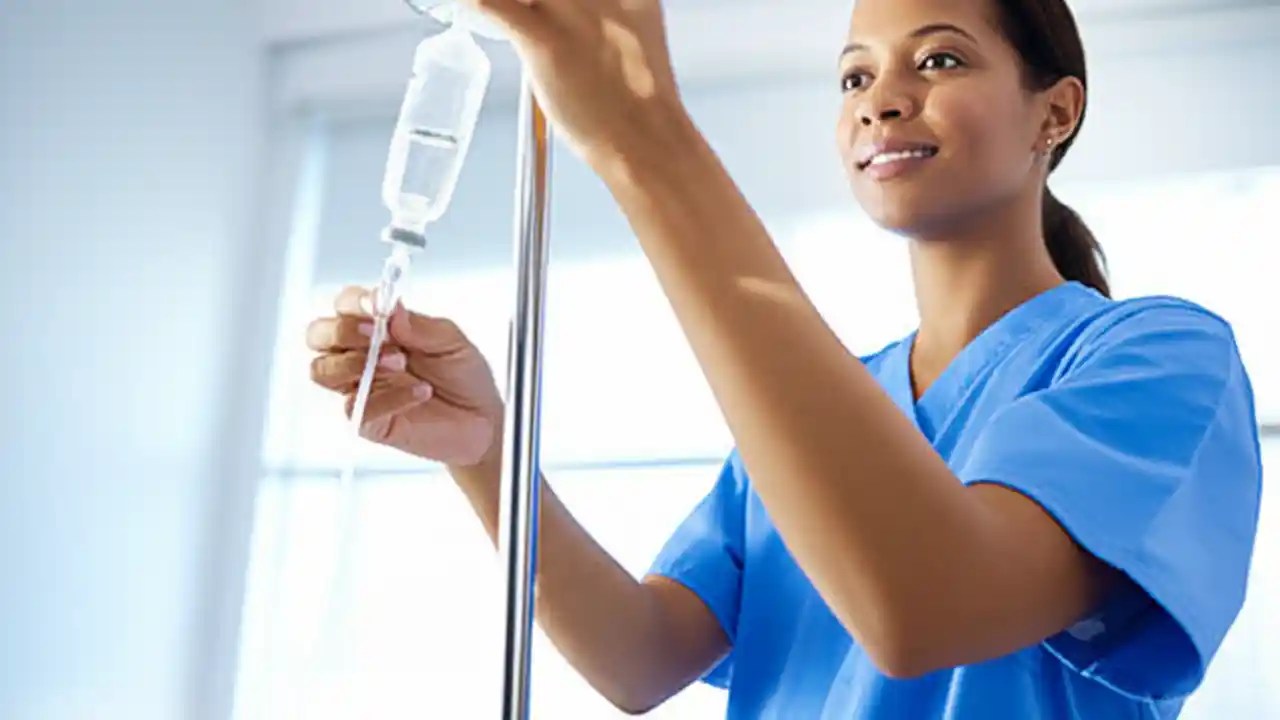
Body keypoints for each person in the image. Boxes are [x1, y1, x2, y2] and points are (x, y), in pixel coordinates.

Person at [305, 0, 1264, 716]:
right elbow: (638, 659)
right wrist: (486, 451)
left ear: (1054, 115)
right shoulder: (825, 413)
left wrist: (649, 142)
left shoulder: (1160, 361)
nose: (883, 100)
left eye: (937, 60)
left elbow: (923, 608)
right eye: (854, 77)